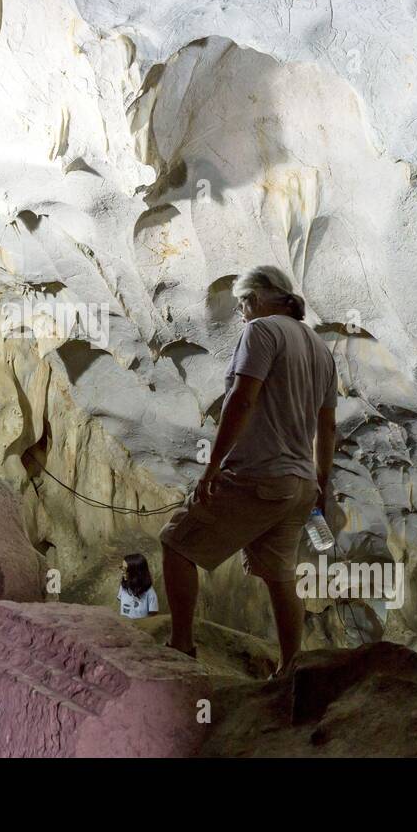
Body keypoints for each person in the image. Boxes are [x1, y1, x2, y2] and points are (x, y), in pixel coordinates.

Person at [158, 264, 337, 673]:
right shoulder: (321, 350)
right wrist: (322, 484)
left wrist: (212, 466)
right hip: (300, 485)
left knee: (177, 543)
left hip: (260, 476)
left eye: (242, 303)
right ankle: (290, 668)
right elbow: (327, 427)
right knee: (279, 575)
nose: (241, 313)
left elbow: (241, 399)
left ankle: (182, 647)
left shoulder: (261, 332)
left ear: (256, 297)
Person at [117, 553, 159, 619]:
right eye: (122, 568)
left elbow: (153, 617)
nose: (122, 572)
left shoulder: (149, 593)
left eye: (125, 569)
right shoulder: (123, 587)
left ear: (136, 573)